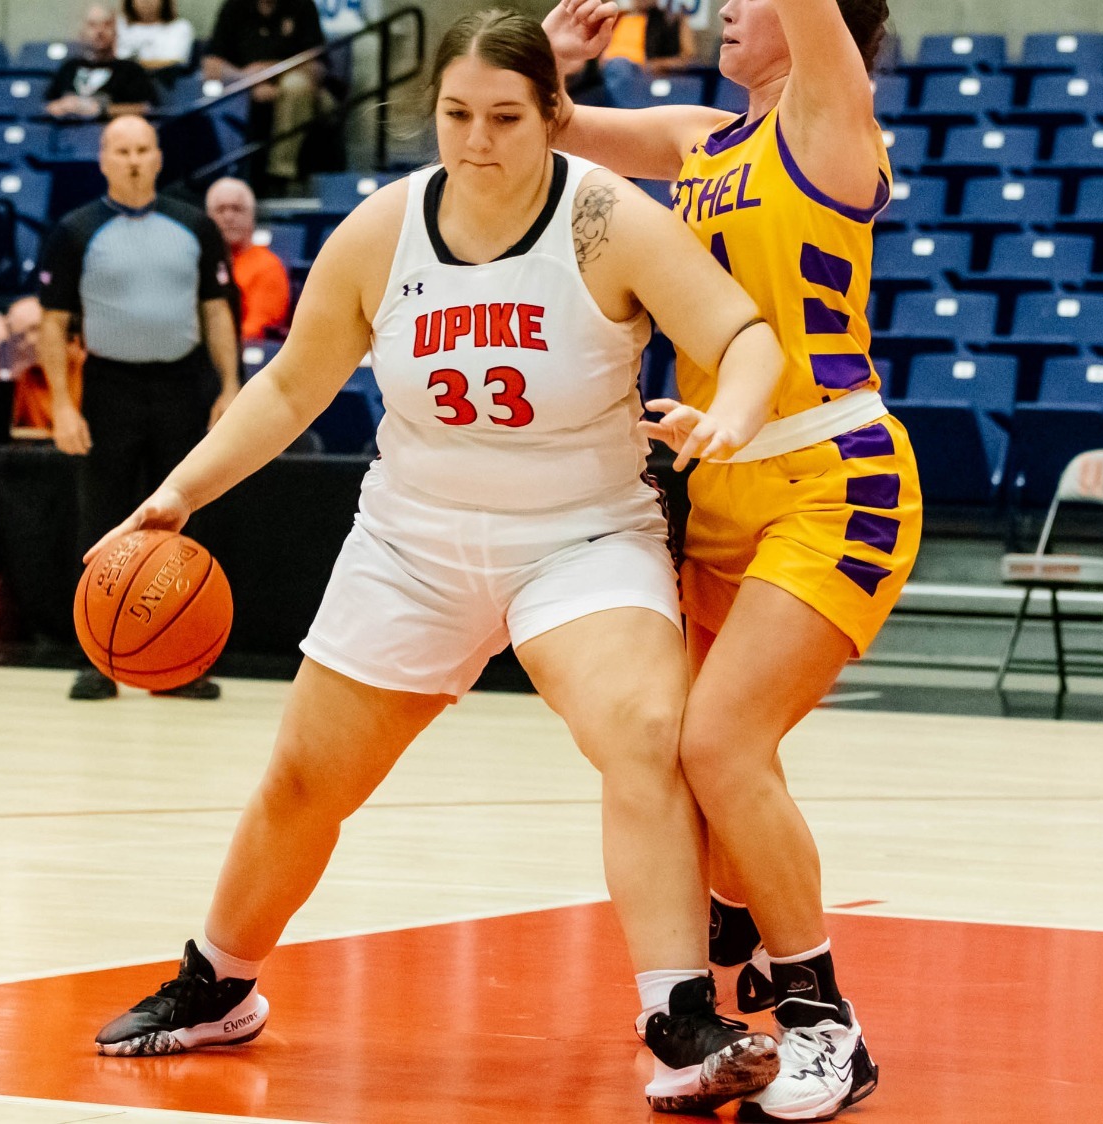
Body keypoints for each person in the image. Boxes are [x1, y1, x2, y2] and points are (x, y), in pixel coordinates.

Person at [84, 12, 801, 1114]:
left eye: (505, 117)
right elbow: (287, 387)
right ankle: (218, 977)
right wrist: (177, 497)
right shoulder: (382, 230)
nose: (477, 140)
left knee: (645, 740)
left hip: (580, 537)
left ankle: (679, 1013)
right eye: (457, 115)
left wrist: (734, 411)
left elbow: (745, 334)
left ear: (553, 113)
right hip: (412, 538)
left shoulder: (607, 218)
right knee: (305, 777)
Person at [545, 0, 916, 1116]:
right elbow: (554, 125)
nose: (722, 9)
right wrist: (555, 66)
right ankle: (740, 928)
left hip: (827, 475)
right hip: (710, 486)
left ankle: (823, 1022)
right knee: (682, 762)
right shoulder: (702, 139)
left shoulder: (828, 118)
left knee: (721, 738)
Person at [37, 116, 240, 703]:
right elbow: (52, 324)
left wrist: (229, 387)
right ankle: (98, 658)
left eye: (143, 149)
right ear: (102, 159)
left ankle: (181, 662)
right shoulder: (76, 231)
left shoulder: (194, 226)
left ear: (158, 159)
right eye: (121, 150)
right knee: (99, 518)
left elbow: (216, 310)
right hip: (109, 387)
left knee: (187, 515)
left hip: (183, 384)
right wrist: (61, 404)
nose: (132, 159)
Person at [204, 0, 327, 186]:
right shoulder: (233, 7)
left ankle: (280, 175)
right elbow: (210, 67)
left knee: (295, 87)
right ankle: (223, 181)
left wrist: (271, 75)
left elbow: (317, 66)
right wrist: (247, 78)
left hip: (296, 88)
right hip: (244, 90)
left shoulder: (302, 6)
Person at [0, 295, 82, 431]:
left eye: (37, 329)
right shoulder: (14, 372)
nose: (31, 341)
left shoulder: (82, 365)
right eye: (20, 336)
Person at [206, 176, 289, 341]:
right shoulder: (200, 263)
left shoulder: (267, 266)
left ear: (251, 215)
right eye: (220, 209)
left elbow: (257, 328)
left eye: (237, 209)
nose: (228, 217)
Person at [47, 5, 157, 120]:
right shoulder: (68, 68)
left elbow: (146, 108)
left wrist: (102, 109)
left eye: (107, 24)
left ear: (116, 31)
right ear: (81, 32)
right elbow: (47, 105)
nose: (100, 31)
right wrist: (62, 106)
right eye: (92, 25)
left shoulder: (130, 69)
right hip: (68, 134)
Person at [117, 0, 194, 77]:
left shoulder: (179, 27)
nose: (146, 1)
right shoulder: (117, 26)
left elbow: (173, 63)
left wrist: (133, 64)